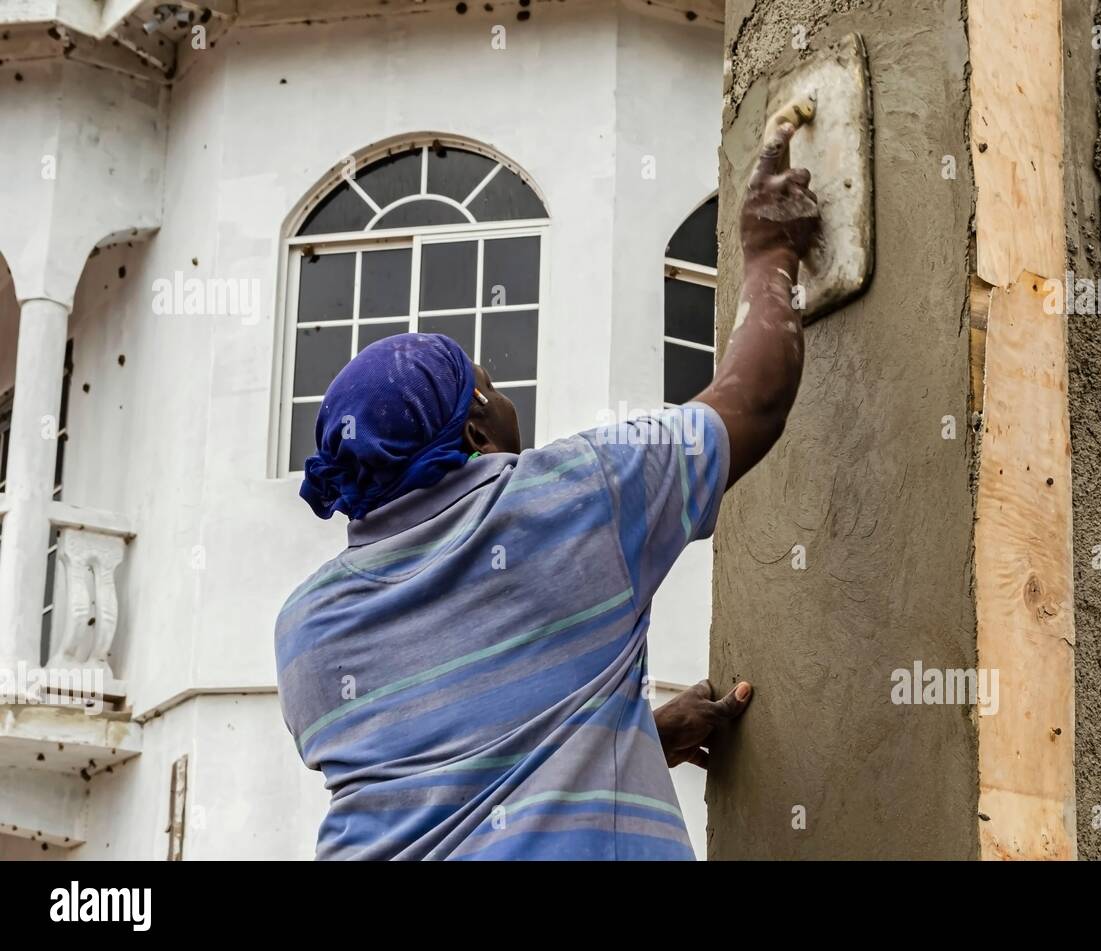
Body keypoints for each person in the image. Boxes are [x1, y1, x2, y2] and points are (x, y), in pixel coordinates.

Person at [275, 123, 819, 859]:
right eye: (490, 385)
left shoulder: (306, 628)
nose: (505, 397)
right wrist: (768, 251)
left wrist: (633, 735)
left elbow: (447, 779)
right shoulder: (571, 499)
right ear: (472, 429)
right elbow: (755, 398)